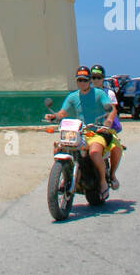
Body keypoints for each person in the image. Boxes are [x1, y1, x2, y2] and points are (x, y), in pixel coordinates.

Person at [45, 66, 118, 196]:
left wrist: (107, 122)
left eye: (85, 80)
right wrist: (54, 116)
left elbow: (112, 109)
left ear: (89, 80)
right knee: (59, 148)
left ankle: (102, 182)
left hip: (97, 131)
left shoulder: (99, 94)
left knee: (95, 152)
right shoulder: (72, 97)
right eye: (79, 80)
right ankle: (65, 176)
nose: (82, 83)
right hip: (80, 132)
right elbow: (63, 112)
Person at [90, 64, 122, 187]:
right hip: (89, 127)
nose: (95, 80)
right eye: (93, 77)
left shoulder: (109, 93)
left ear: (103, 78)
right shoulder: (86, 93)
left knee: (116, 148)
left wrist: (108, 121)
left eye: (98, 77)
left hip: (105, 128)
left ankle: (112, 174)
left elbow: (113, 110)